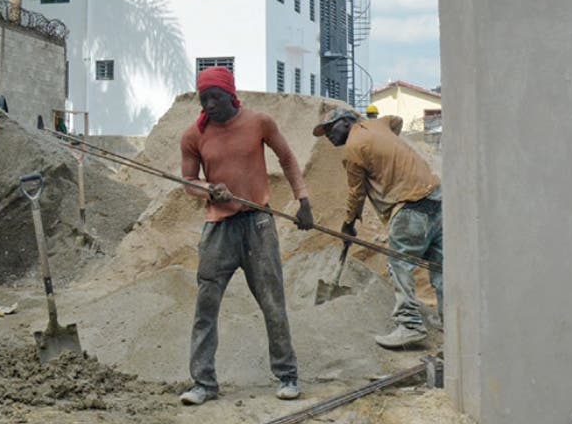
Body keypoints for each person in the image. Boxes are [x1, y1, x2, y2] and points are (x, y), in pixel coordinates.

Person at [178, 66, 316, 405]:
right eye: (204, 98)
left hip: (258, 225)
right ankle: (203, 383)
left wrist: (303, 200)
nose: (209, 105)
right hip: (218, 229)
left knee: (272, 302)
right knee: (206, 308)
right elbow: (188, 183)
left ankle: (287, 375)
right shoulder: (193, 136)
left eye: (216, 97)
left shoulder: (259, 123)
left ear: (231, 95)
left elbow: (287, 159)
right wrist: (210, 189)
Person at [313, 107, 443, 349]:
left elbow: (356, 192)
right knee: (440, 265)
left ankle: (410, 325)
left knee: (399, 265)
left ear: (346, 122)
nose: (328, 136)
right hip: (436, 198)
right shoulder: (380, 125)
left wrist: (348, 224)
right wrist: (387, 147)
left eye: (331, 129)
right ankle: (447, 318)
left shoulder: (353, 149)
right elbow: (398, 120)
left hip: (408, 205)